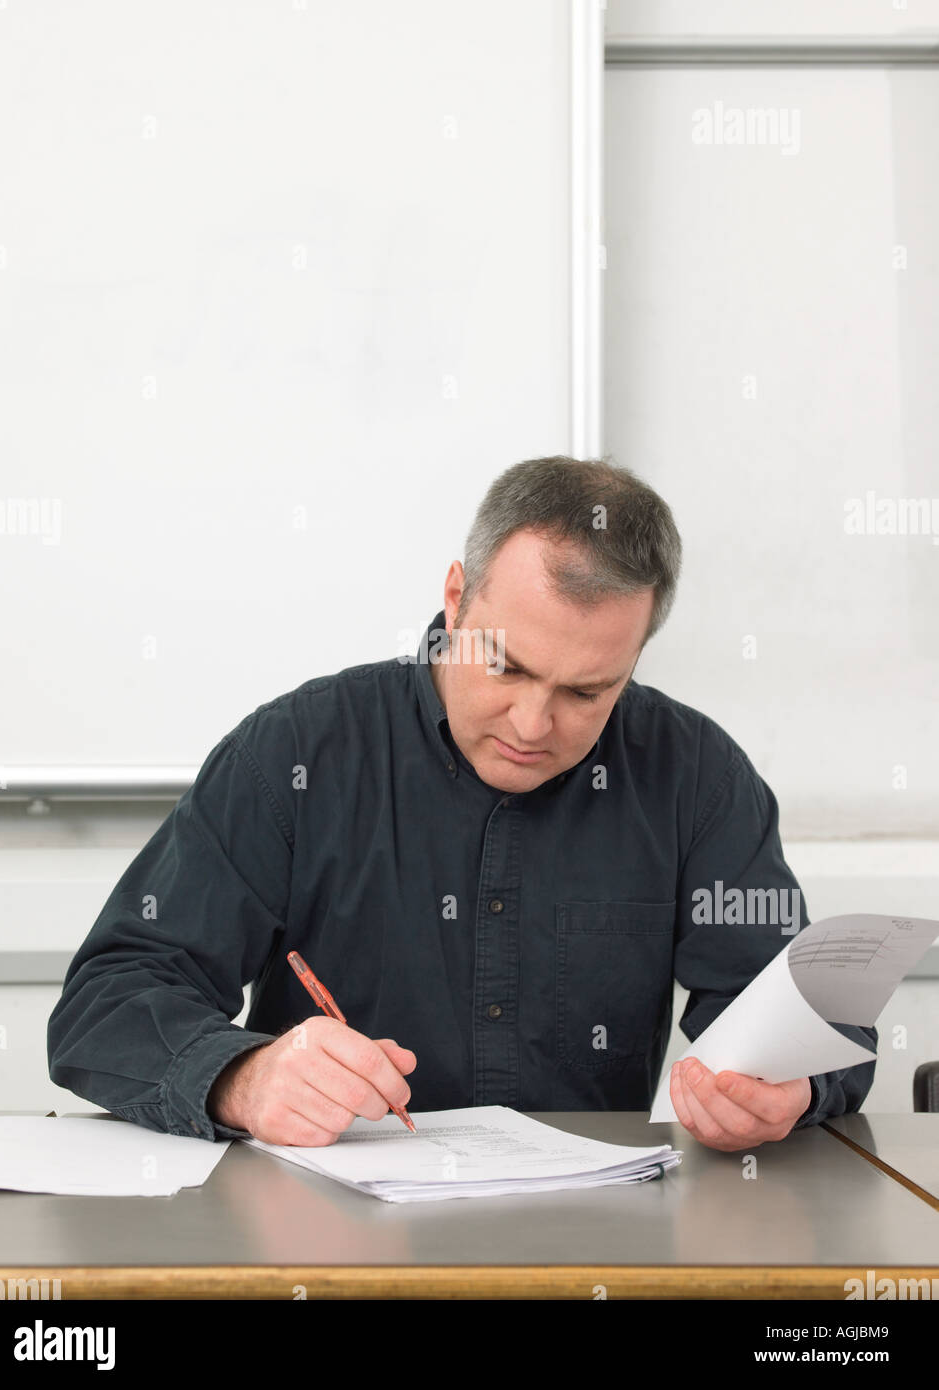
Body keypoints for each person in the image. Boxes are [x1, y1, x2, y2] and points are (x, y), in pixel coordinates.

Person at [47, 456, 876, 1152]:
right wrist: (239, 1076)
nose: (531, 724)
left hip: (588, 1244)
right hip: (323, 1245)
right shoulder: (298, 752)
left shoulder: (693, 776)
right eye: (506, 667)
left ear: (635, 656)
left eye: (586, 692)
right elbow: (109, 1000)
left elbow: (803, 1022)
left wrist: (790, 1089)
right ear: (456, 596)